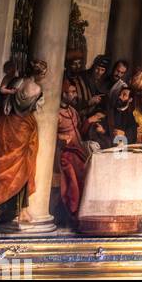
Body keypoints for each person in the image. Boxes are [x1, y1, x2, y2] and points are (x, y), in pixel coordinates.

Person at [0, 58, 46, 233]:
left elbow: (3, 97)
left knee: (10, 172)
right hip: (18, 128)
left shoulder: (17, 81)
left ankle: (17, 213)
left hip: (4, 125)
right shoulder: (36, 89)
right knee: (9, 172)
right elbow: (30, 107)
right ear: (41, 74)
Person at [56, 79, 89, 222]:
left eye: (75, 92)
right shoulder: (56, 113)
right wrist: (60, 136)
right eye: (72, 92)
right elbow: (47, 134)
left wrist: (90, 122)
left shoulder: (73, 111)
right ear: (63, 94)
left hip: (78, 151)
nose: (75, 95)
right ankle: (72, 213)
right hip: (66, 153)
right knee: (73, 181)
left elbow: (80, 130)